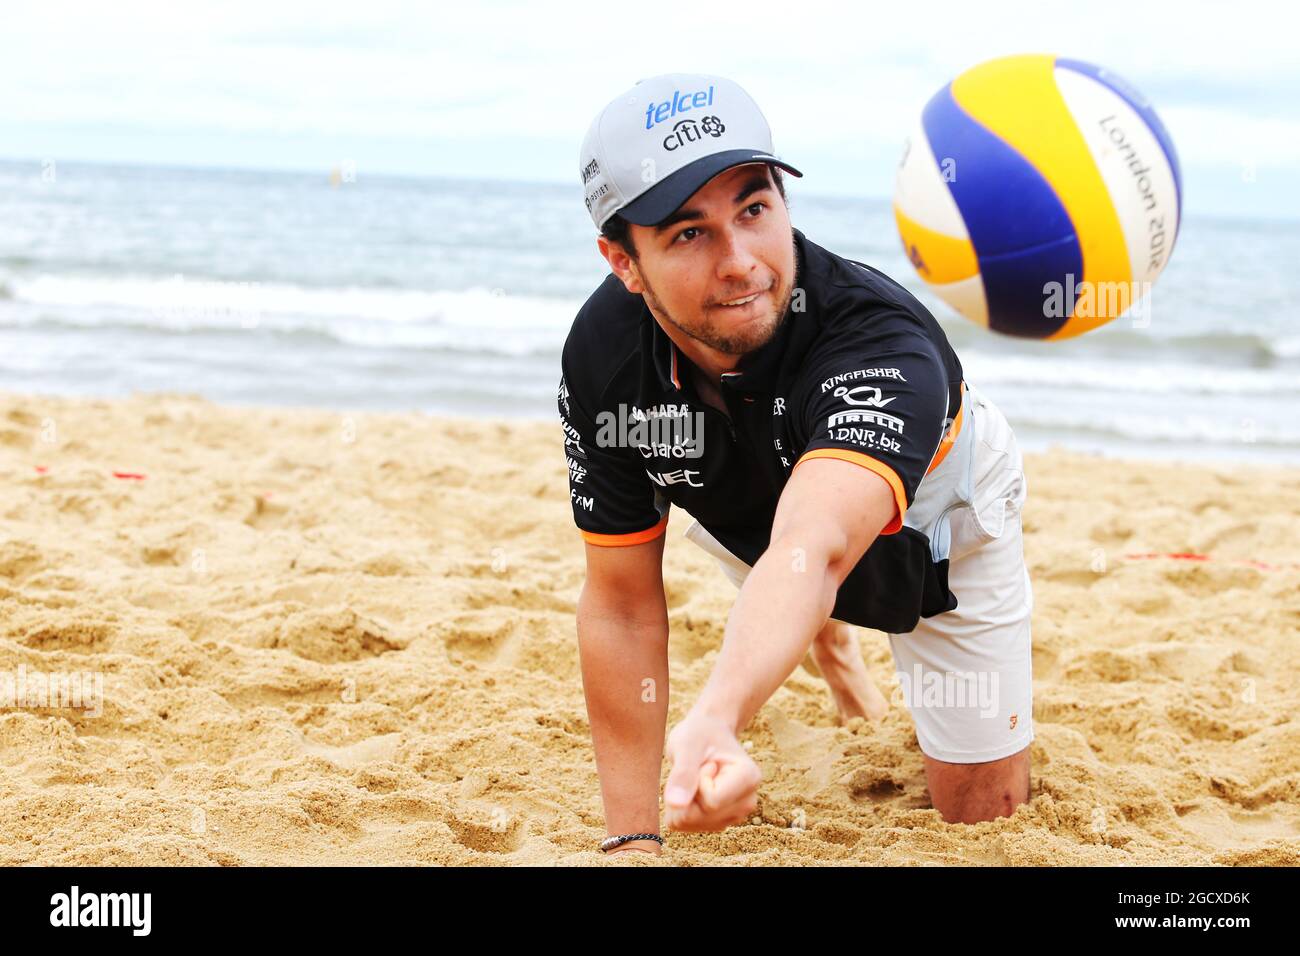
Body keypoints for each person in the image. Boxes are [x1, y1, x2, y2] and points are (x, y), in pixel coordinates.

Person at [560, 73, 1034, 858]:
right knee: (783, 564)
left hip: (930, 516)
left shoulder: (876, 338)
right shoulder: (605, 357)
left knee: (984, 815)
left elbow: (815, 548)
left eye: (753, 209)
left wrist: (717, 716)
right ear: (624, 262)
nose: (741, 261)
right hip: (748, 511)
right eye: (689, 233)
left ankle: (826, 632)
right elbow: (620, 606)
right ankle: (825, 638)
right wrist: (632, 839)